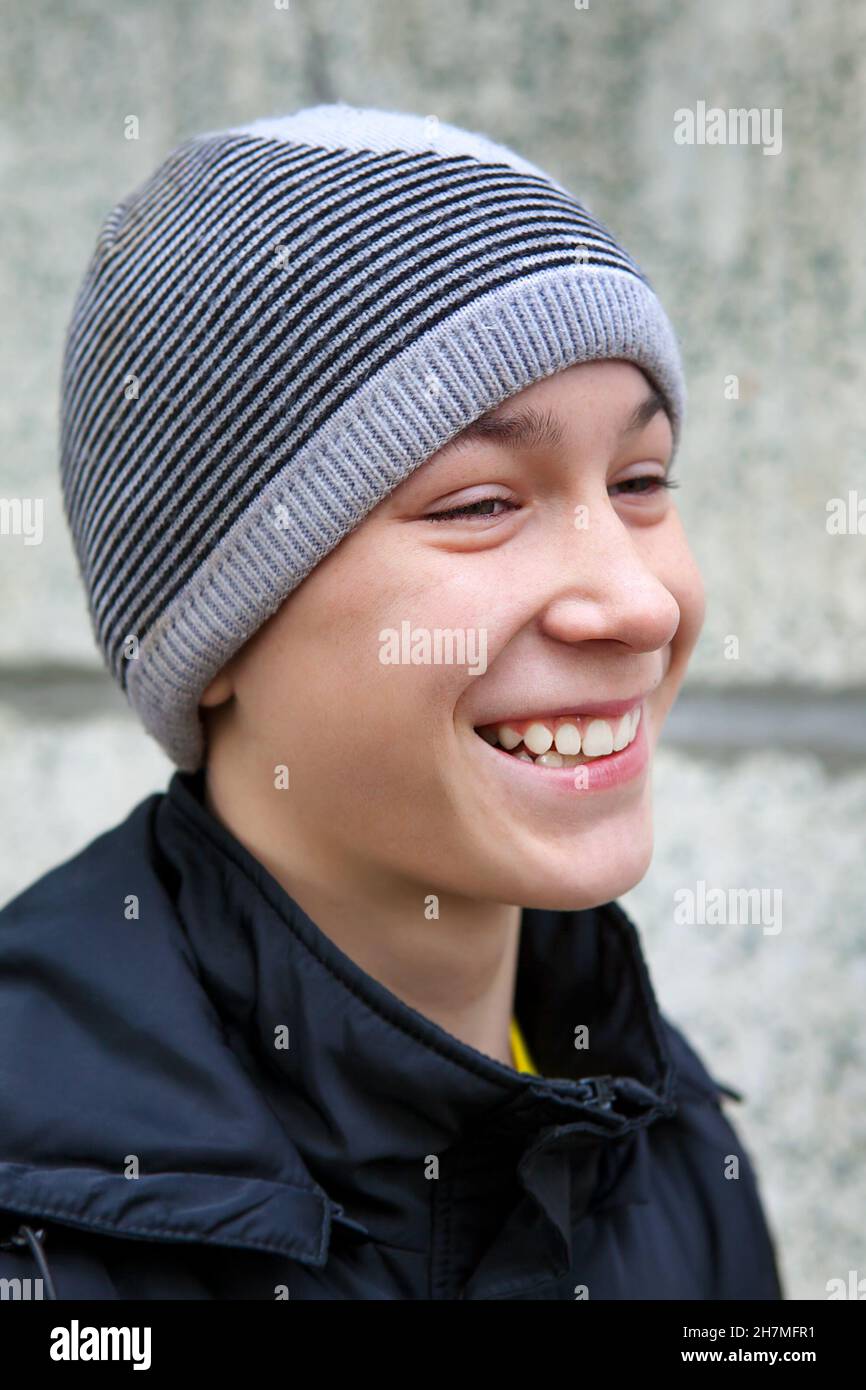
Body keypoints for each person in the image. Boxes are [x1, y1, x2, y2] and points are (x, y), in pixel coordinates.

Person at [0, 103, 783, 1300]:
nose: (635, 601)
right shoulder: (39, 1221)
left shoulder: (661, 1139)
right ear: (209, 627)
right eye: (478, 503)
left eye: (638, 481)